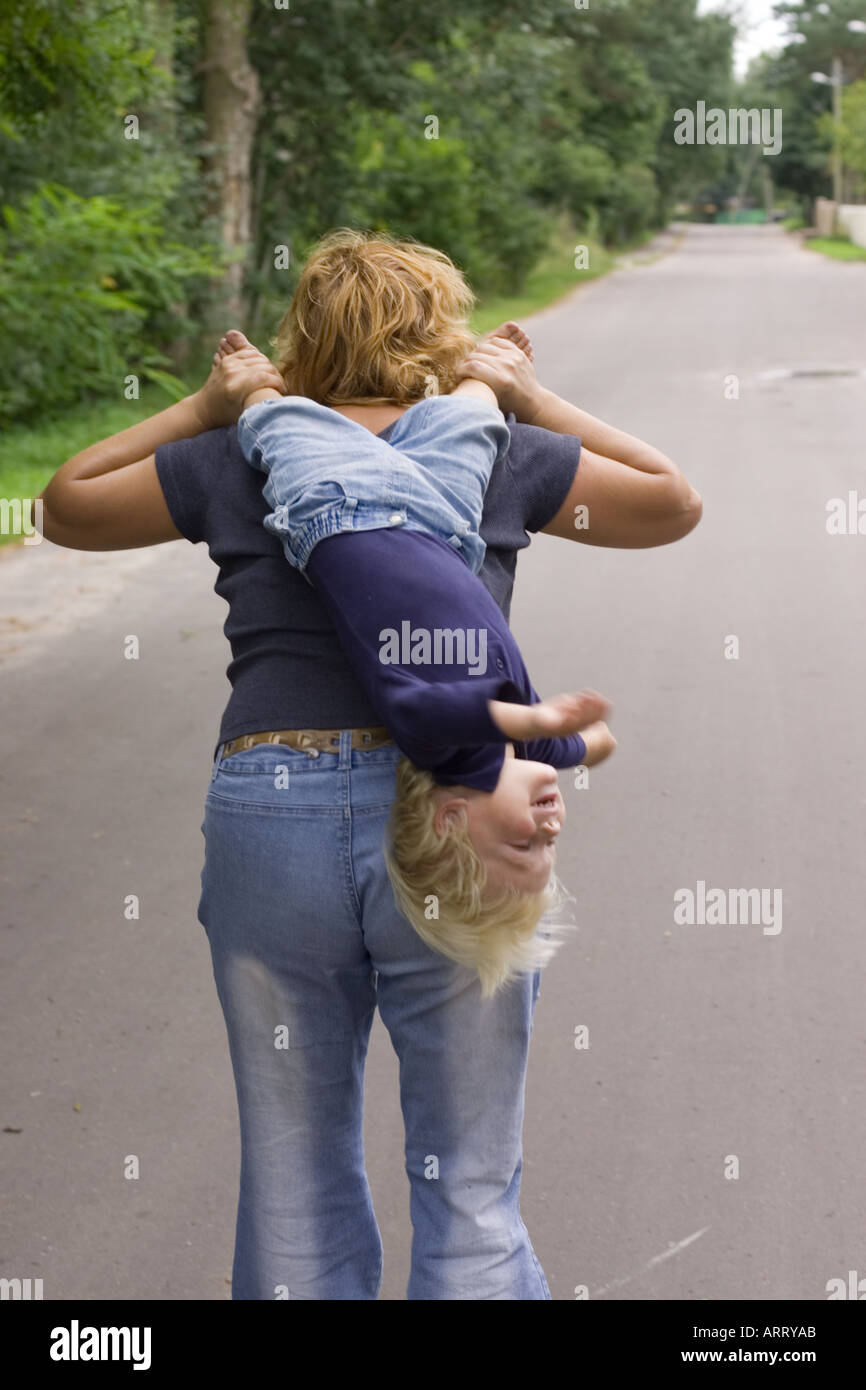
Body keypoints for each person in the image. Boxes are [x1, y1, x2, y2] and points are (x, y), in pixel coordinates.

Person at [35, 228, 702, 1299]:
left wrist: (206, 409)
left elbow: (62, 505)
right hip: (454, 802)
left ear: (303, 340)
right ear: (445, 339)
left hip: (270, 803)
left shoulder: (237, 452)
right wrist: (531, 399)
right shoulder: (498, 449)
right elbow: (670, 499)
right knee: (471, 1181)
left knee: (293, 1175)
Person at [229, 321, 616, 996]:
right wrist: (586, 745)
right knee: (477, 405)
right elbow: (555, 756)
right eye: (549, 847)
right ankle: (479, 371)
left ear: (451, 819)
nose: (551, 826)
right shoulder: (508, 761)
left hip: (337, 505)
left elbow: (428, 704)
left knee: (274, 414)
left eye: (524, 844)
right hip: (441, 522)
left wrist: (527, 721)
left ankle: (247, 386)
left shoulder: (445, 746)